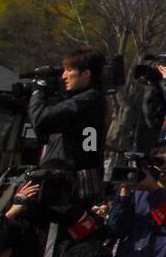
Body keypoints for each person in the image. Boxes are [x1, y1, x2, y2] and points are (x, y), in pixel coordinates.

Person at [26, 49, 107, 199]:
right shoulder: (88, 99)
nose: (63, 76)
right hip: (73, 178)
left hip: (71, 185)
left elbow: (41, 120)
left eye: (69, 70)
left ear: (86, 74)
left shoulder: (88, 100)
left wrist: (37, 92)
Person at [4, 158, 104, 257]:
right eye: (50, 185)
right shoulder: (26, 215)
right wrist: (12, 212)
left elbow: (95, 251)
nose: (56, 191)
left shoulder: (79, 217)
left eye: (63, 186)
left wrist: (69, 211)